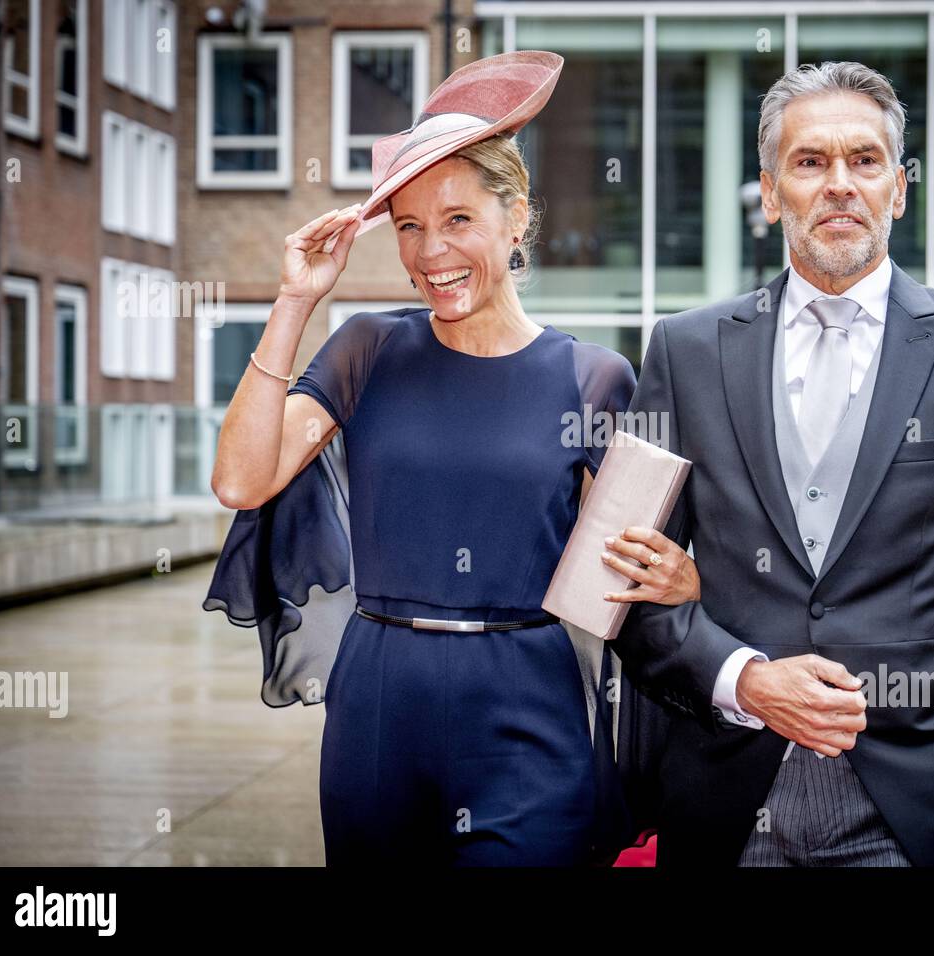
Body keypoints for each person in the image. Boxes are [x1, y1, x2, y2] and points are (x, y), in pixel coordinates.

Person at [201, 51, 694, 866]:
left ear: (516, 217)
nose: (432, 251)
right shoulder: (366, 349)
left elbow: (628, 582)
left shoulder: (593, 378)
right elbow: (239, 480)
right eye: (409, 226)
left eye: (458, 219)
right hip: (377, 707)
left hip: (527, 709)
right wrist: (295, 301)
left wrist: (686, 579)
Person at [608, 60, 934, 867]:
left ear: (898, 189)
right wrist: (740, 676)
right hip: (723, 796)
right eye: (810, 162)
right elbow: (614, 579)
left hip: (907, 808)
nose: (839, 184)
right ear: (769, 194)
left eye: (864, 161)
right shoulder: (684, 350)